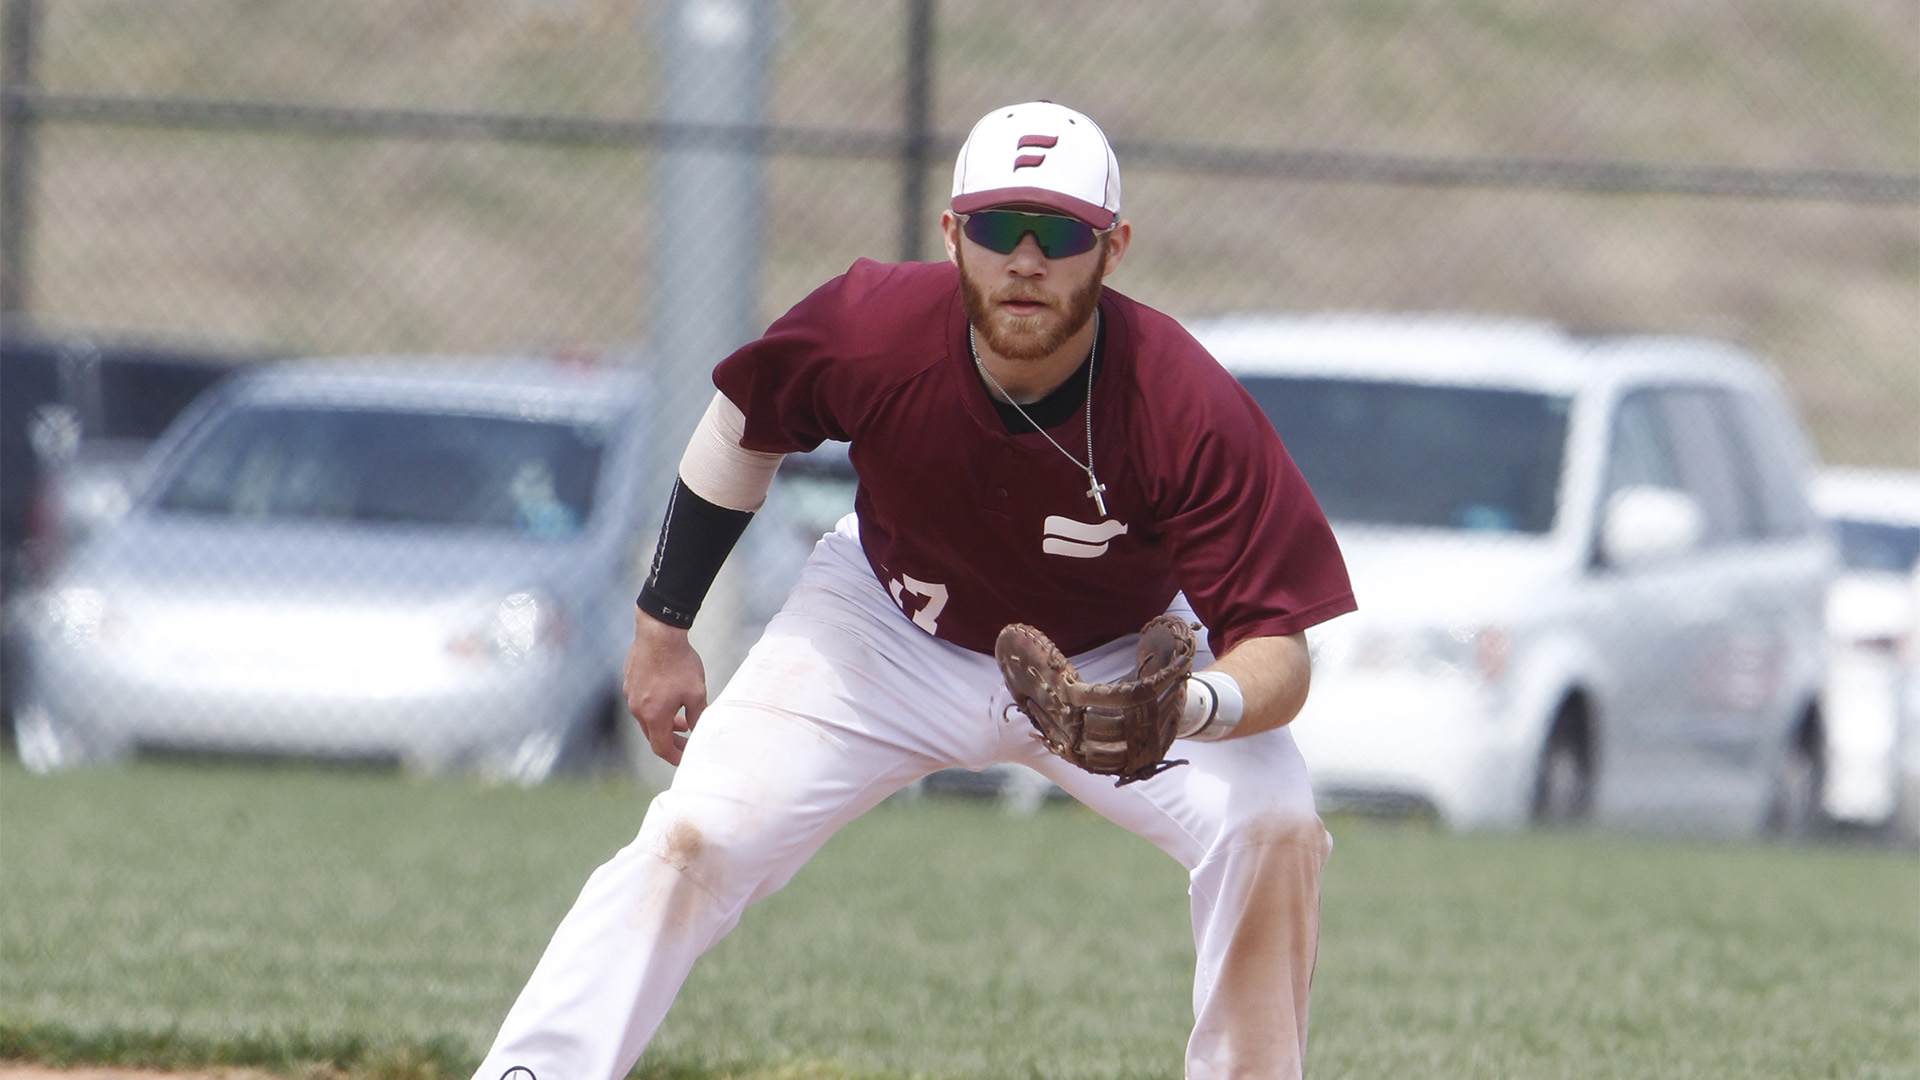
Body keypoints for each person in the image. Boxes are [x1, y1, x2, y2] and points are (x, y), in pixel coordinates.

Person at [471, 101, 1357, 1080]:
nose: (1025, 259)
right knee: (693, 834)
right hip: (885, 630)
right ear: (951, 236)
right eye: (994, 228)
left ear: (1113, 248)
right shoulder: (871, 327)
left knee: (1271, 823)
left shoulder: (1183, 401)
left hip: (1110, 658)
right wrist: (661, 628)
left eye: (1059, 233)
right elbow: (741, 425)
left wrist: (1187, 704)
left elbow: (1281, 641)